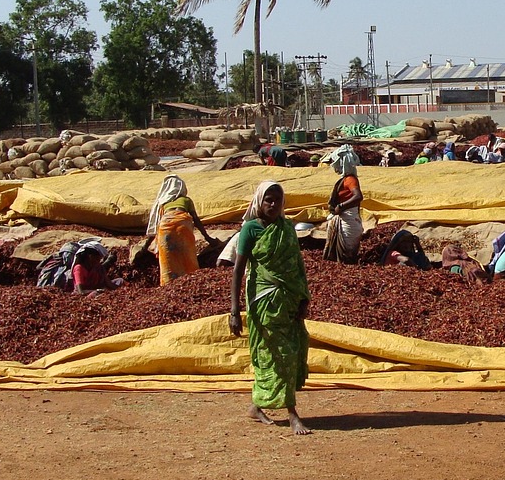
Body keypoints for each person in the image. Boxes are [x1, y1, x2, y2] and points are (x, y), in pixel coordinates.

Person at [228, 181, 312, 435]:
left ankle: (256, 405)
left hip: (288, 299)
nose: (273, 205)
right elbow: (238, 270)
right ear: (259, 202)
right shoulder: (251, 230)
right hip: (263, 301)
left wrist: (304, 297)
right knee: (277, 354)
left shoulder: (286, 228)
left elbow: (298, 265)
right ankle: (292, 413)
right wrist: (234, 310)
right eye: (268, 200)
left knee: (288, 352)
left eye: (277, 200)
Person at [145, 174, 220, 286]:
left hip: (165, 228)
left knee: (168, 257)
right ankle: (190, 279)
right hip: (182, 226)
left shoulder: (163, 203)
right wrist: (208, 238)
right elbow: (196, 220)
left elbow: (156, 225)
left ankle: (168, 284)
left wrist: (145, 246)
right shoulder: (186, 200)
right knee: (187, 254)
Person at [36, 238, 123, 293]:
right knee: (96, 294)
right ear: (90, 257)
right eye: (97, 258)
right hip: (87, 293)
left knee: (120, 281)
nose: (99, 260)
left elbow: (108, 283)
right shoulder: (79, 269)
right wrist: (99, 290)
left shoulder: (97, 267)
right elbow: (80, 291)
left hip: (98, 288)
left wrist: (119, 291)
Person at [323, 145, 363, 263]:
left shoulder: (350, 179)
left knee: (346, 256)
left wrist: (341, 206)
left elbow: (358, 196)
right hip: (346, 218)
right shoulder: (346, 179)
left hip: (348, 220)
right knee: (344, 259)